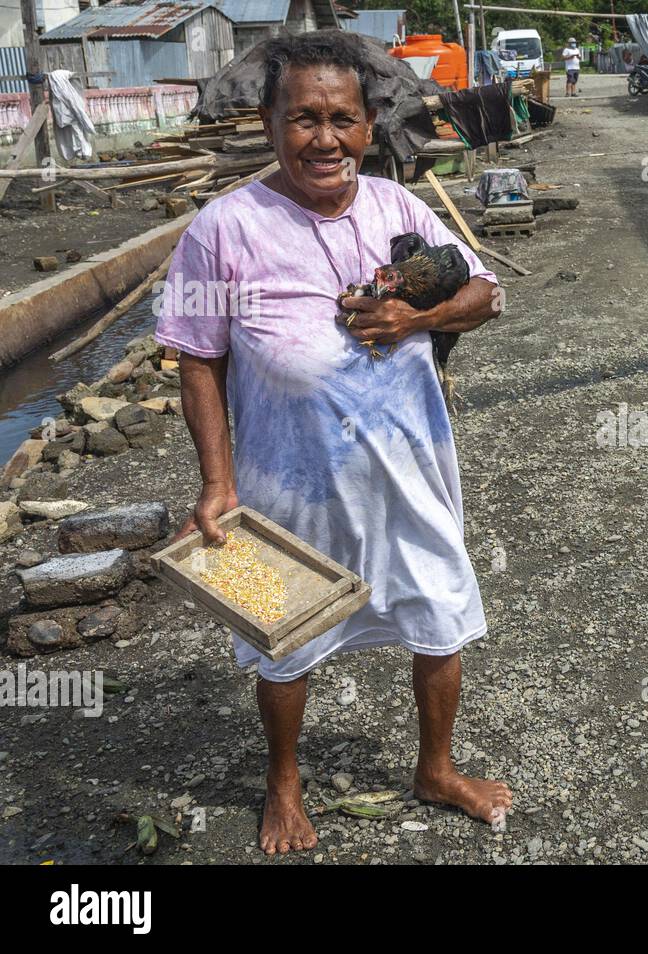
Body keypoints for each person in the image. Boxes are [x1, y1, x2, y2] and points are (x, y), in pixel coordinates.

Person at [153, 30, 512, 855]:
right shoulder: (224, 229)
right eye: (304, 118)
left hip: (407, 470)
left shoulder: (398, 207)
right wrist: (216, 484)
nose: (326, 139)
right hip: (290, 481)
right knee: (285, 638)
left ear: (368, 123)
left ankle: (437, 768)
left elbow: (486, 295)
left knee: (439, 615)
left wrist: (417, 315)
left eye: (343, 119)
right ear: (270, 123)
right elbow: (198, 358)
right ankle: (283, 782)